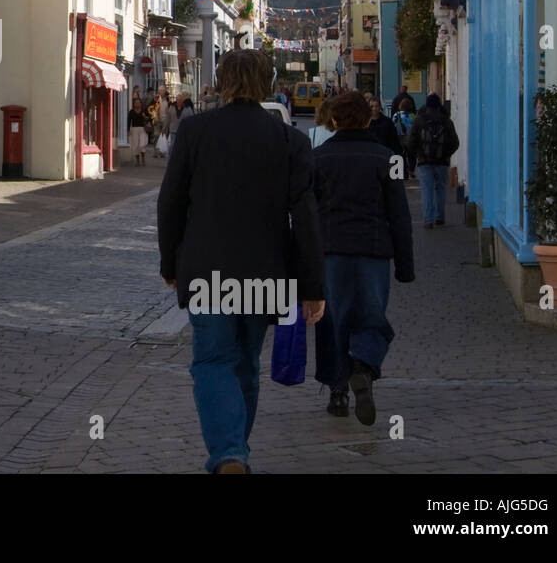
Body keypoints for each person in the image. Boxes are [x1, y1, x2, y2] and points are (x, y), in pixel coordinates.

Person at [157, 50, 324, 474]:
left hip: (207, 267)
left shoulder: (195, 131)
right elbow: (305, 217)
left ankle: (230, 453)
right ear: (267, 81)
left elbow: (171, 203)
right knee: (247, 365)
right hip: (266, 271)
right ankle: (234, 451)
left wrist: (169, 262)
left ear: (223, 80)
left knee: (212, 362)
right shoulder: (291, 141)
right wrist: (313, 285)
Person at [312, 91, 415, 425]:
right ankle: (364, 366)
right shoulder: (388, 159)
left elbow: (305, 215)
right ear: (369, 119)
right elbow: (399, 215)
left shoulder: (317, 159)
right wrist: (405, 265)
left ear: (334, 120)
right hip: (373, 251)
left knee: (333, 322)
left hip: (330, 252)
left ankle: (338, 390)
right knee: (371, 317)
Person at [409, 93, 460, 229]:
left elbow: (411, 141)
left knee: (427, 189)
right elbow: (455, 143)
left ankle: (428, 219)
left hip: (424, 161)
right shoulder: (446, 121)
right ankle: (440, 217)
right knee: (440, 189)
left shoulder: (419, 120)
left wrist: (417, 154)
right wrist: (446, 155)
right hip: (442, 162)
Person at [392, 96, 417, 177]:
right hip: (410, 138)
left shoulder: (396, 114)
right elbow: (416, 126)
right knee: (411, 155)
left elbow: (393, 125)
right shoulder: (412, 116)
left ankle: (403, 171)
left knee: (401, 154)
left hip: (399, 137)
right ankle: (411, 170)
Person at [128, 97, 151, 166]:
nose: (137, 104)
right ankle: (137, 161)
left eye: (138, 103)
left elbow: (149, 118)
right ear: (134, 104)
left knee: (142, 144)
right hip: (134, 129)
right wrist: (128, 130)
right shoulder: (131, 112)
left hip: (143, 129)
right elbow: (128, 121)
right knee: (136, 145)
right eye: (136, 103)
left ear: (141, 104)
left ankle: (143, 159)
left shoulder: (144, 111)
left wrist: (146, 118)